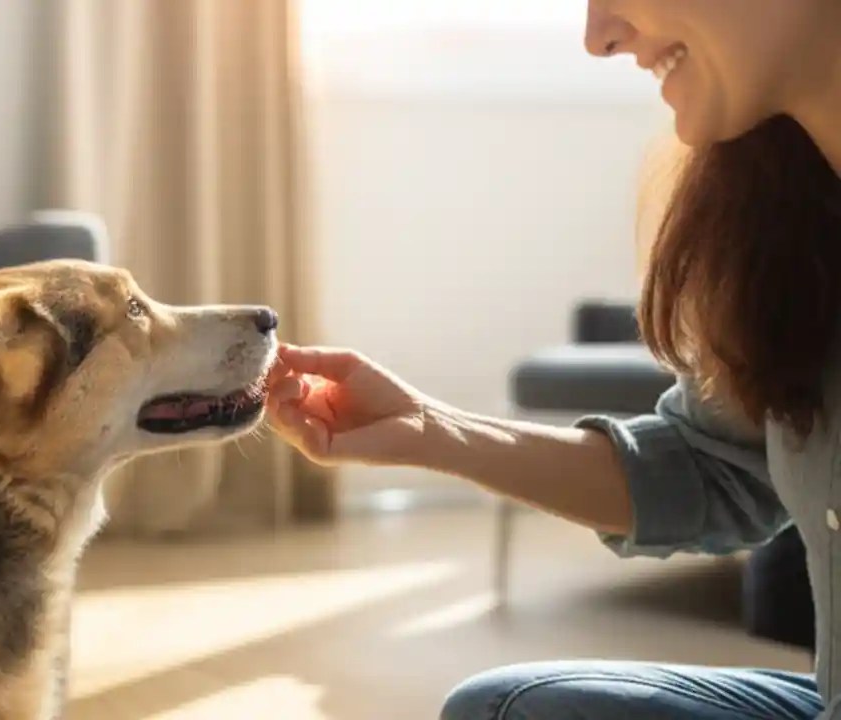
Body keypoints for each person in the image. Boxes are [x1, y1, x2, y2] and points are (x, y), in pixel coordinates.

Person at [267, 1, 841, 718]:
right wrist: (430, 428)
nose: (598, 36)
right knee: (507, 710)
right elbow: (712, 466)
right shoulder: (793, 212)